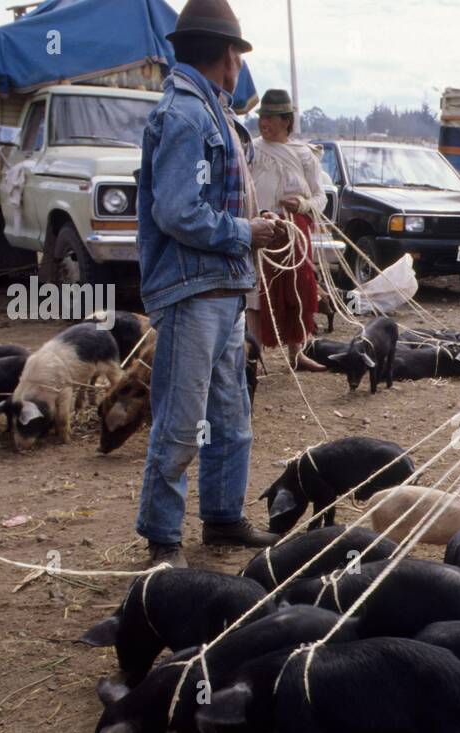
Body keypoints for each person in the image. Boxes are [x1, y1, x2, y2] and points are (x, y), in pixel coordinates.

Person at [134, 0, 285, 568]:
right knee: (180, 421)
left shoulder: (210, 111)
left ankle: (222, 518)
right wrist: (248, 230)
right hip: (193, 292)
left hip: (219, 288)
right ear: (230, 55)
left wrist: (246, 235)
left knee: (230, 416)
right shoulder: (187, 116)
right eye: (240, 55)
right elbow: (177, 211)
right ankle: (162, 539)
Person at [247, 89, 328, 371]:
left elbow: (321, 198)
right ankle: (253, 358)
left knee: (299, 290)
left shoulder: (304, 155)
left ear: (285, 121)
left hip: (294, 231)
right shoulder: (251, 150)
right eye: (261, 117)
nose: (263, 122)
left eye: (269, 117)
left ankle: (297, 353)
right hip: (260, 228)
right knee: (258, 294)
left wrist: (303, 204)